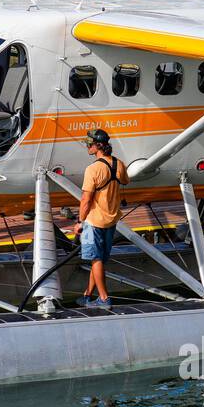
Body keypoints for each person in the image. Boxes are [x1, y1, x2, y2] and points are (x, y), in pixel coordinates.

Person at [73, 128, 129, 309]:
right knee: (98, 260)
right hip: (111, 220)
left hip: (93, 222)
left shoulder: (93, 169)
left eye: (89, 144)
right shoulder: (119, 164)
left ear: (98, 146)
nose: (87, 146)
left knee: (95, 260)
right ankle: (88, 295)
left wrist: (80, 222)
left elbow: (85, 200)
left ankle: (104, 299)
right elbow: (125, 181)